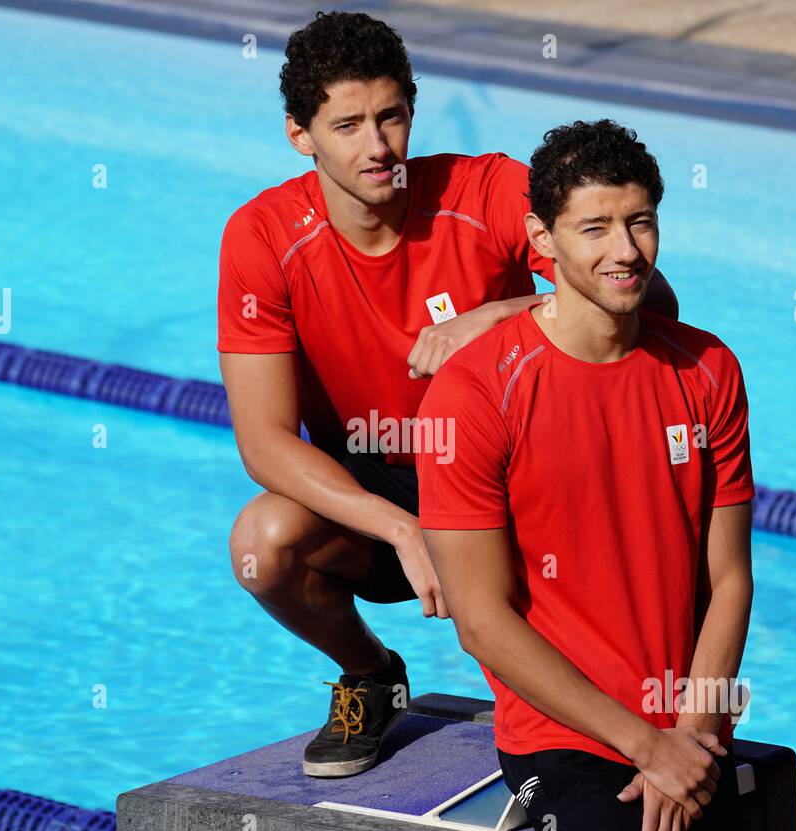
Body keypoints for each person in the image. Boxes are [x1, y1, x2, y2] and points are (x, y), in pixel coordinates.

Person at [218, 12, 682, 778]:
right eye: (348, 125)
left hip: (510, 476)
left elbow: (649, 299)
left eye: (392, 116)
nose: (377, 147)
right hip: (377, 484)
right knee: (262, 547)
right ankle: (370, 675)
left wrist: (513, 310)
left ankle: (599, 715)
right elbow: (264, 444)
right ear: (300, 135)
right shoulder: (264, 238)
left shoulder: (486, 190)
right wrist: (402, 528)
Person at [416, 119, 754, 831]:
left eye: (640, 222)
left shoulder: (708, 371)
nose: (625, 250)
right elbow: (481, 620)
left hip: (688, 724)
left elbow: (728, 578)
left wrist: (692, 734)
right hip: (564, 737)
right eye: (595, 227)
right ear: (542, 237)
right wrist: (647, 747)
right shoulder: (473, 396)